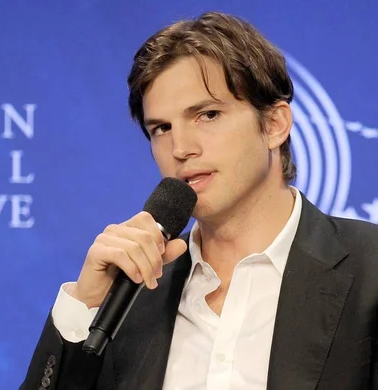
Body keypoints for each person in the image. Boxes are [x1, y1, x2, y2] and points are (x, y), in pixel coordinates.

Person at [20, 11, 378, 390]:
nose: (181, 148)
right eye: (161, 128)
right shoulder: (130, 297)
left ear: (275, 125)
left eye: (207, 115)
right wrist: (86, 303)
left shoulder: (368, 271)